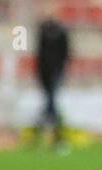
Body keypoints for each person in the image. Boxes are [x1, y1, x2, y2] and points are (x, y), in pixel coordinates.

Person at [36, 11, 71, 150]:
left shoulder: (60, 32)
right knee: (50, 102)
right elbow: (40, 53)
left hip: (55, 71)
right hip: (46, 72)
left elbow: (66, 52)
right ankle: (55, 134)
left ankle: (50, 131)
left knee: (51, 101)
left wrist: (61, 69)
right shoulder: (43, 31)